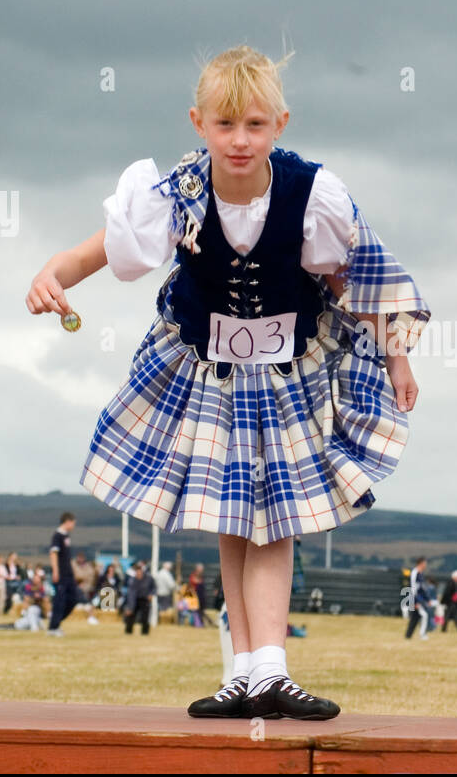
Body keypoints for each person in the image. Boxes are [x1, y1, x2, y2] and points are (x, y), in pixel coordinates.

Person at [26, 45, 429, 720]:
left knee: (274, 516)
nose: (239, 140)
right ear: (198, 123)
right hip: (205, 370)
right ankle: (244, 669)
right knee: (232, 519)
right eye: (224, 125)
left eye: (254, 125)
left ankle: (269, 665)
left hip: (284, 372)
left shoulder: (311, 194)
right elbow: (102, 247)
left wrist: (396, 355)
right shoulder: (178, 194)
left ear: (280, 124)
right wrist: (55, 275)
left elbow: (351, 275)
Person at [46, 514, 82, 635]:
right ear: (67, 522)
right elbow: (53, 554)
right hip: (60, 574)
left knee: (74, 598)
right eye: (73, 523)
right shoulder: (57, 536)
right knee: (59, 601)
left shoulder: (66, 536)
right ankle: (53, 627)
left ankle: (57, 621)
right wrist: (56, 571)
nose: (74, 526)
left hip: (69, 574)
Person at [123, 561, 157, 634]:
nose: (138, 573)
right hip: (135, 599)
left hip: (145, 599)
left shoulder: (149, 578)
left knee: (145, 617)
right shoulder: (132, 580)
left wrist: (151, 594)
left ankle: (145, 632)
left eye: (139, 571)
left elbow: (154, 588)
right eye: (137, 572)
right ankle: (128, 631)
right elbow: (131, 594)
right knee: (131, 615)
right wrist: (130, 607)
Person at [404, 557, 430, 640]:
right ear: (421, 563)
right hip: (414, 599)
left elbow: (422, 589)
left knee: (415, 617)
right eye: (425, 563)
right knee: (424, 615)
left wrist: (427, 599)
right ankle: (422, 635)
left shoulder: (420, 574)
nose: (426, 565)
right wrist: (415, 602)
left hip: (418, 599)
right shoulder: (415, 573)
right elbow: (413, 588)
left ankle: (408, 635)